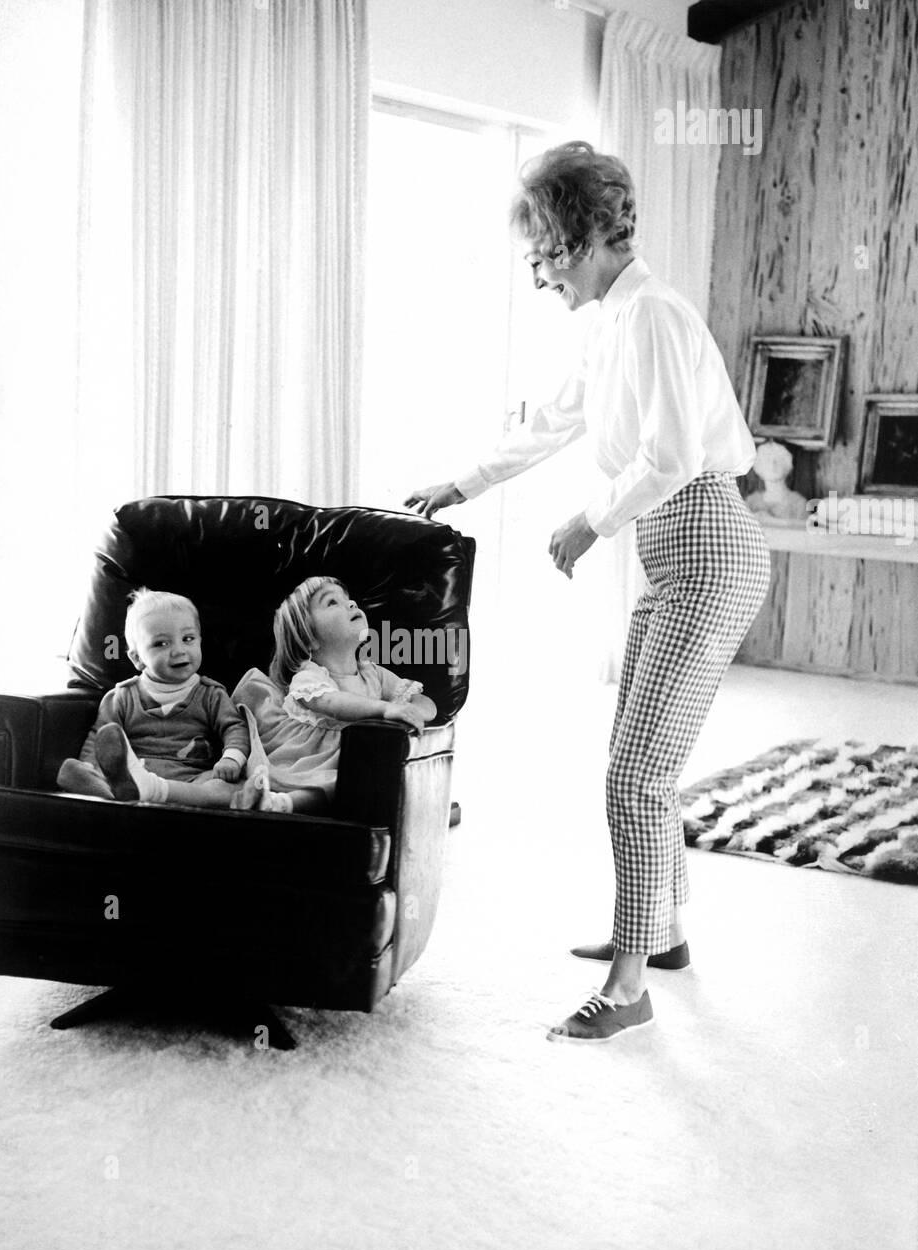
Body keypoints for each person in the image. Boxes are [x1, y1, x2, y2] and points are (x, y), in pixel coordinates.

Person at [405, 141, 770, 1043]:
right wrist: (463, 482)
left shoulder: (651, 315)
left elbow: (674, 457)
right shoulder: (610, 319)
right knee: (640, 759)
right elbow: (554, 420)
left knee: (634, 775)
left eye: (539, 257)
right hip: (674, 550)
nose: (537, 278)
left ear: (573, 239)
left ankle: (631, 981)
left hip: (707, 544)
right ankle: (665, 933)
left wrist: (586, 523)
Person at [233, 576, 437, 814]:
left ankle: (275, 803)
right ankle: (279, 803)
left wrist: (416, 712)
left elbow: (421, 698)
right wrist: (385, 708)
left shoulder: (372, 672)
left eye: (348, 600)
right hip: (306, 759)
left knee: (355, 782)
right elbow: (332, 702)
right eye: (332, 602)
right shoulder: (309, 676)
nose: (351, 604)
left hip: (351, 757)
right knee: (335, 784)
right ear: (309, 637)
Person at [57, 587, 272, 811]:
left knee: (227, 789)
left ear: (200, 641)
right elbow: (100, 738)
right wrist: (90, 766)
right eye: (161, 643)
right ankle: (99, 785)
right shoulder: (121, 697)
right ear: (137, 658)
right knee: (89, 770)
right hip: (134, 773)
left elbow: (235, 728)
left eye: (187, 639)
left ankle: (135, 792)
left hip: (192, 780)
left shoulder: (211, 694)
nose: (179, 650)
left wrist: (231, 758)